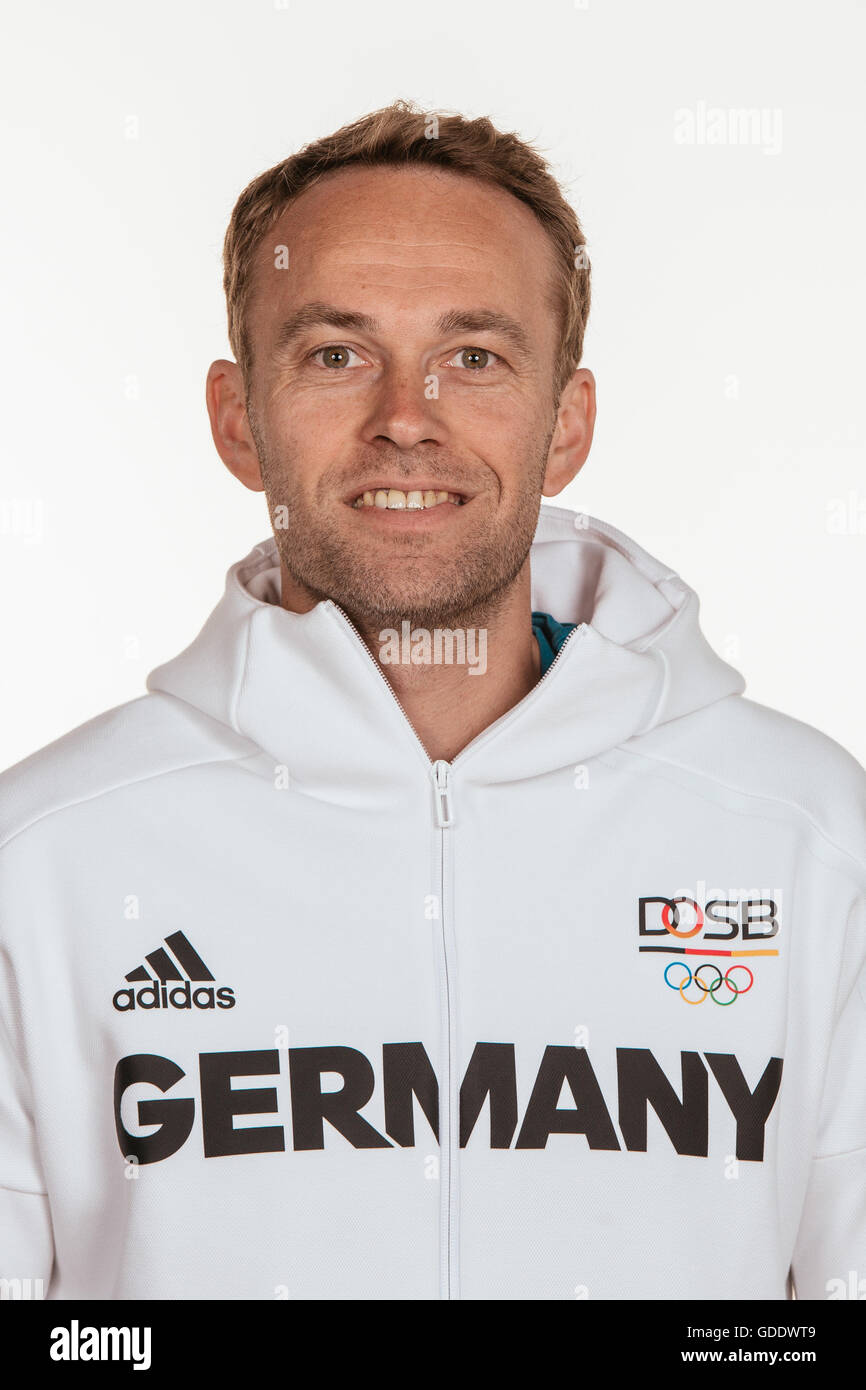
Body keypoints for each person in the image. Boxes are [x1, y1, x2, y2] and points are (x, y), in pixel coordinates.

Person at [1, 99, 864, 1302]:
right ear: (237, 418)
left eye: (474, 356)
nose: (405, 419)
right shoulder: (41, 857)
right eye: (335, 354)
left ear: (565, 423)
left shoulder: (809, 840)